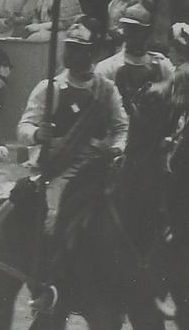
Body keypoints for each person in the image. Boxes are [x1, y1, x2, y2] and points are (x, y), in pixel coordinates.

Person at [15, 24, 129, 247]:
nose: (69, 54)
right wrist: (38, 134)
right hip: (63, 169)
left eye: (77, 49)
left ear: (92, 53)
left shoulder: (107, 89)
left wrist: (118, 148)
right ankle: (50, 264)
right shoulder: (51, 88)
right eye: (68, 47)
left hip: (99, 166)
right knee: (54, 218)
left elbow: (122, 128)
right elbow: (23, 127)